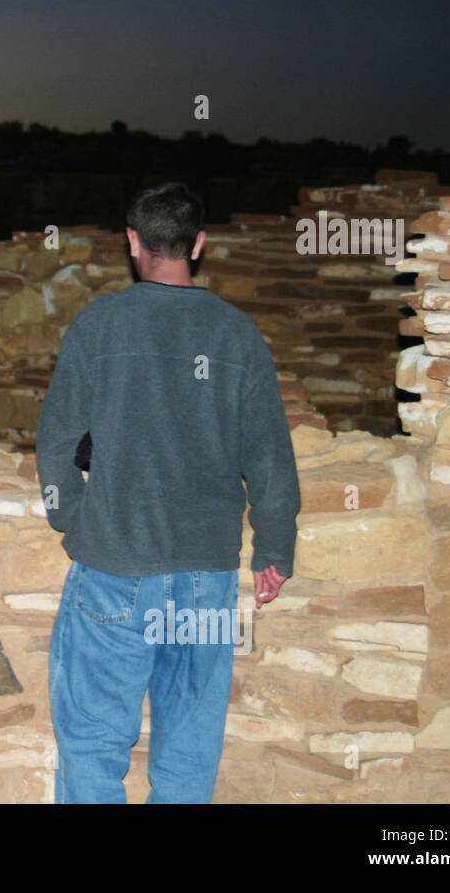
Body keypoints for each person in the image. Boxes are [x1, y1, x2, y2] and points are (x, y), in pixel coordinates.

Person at [36, 181, 300, 803]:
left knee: (93, 745)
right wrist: (274, 549)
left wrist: (73, 518)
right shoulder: (237, 334)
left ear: (133, 242)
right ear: (198, 244)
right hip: (206, 574)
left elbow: (55, 445)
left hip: (114, 564)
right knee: (187, 754)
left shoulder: (99, 325)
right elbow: (269, 456)